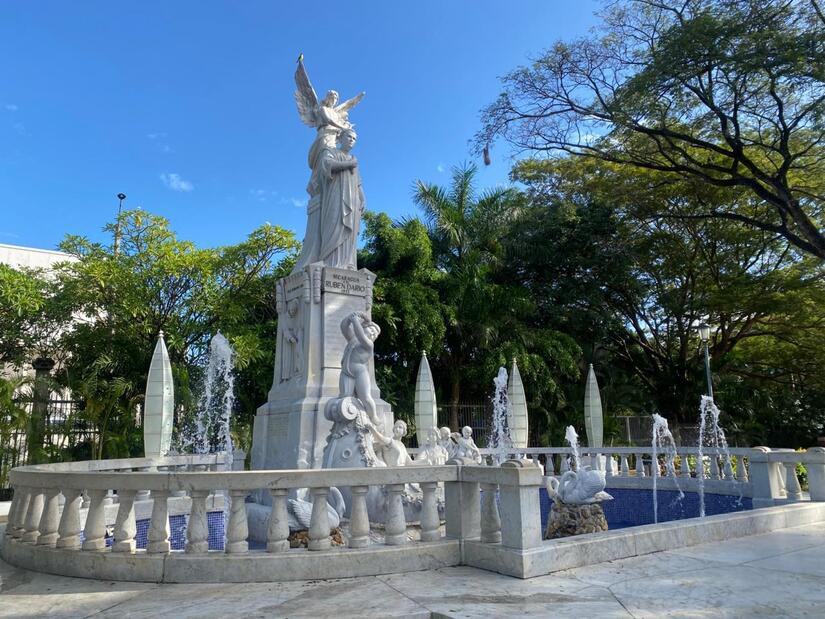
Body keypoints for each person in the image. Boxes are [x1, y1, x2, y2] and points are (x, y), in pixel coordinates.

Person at [338, 312, 380, 427]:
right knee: (344, 396)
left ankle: (373, 416)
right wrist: (352, 316)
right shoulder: (353, 339)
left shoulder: (369, 345)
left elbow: (361, 335)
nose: (374, 334)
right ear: (365, 328)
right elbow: (343, 327)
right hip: (346, 372)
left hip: (360, 372)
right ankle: (349, 422)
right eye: (372, 330)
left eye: (376, 334)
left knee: (365, 397)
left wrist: (355, 320)